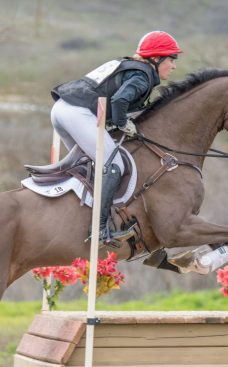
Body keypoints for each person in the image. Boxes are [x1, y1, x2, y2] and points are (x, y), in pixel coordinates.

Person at [50, 31, 181, 243]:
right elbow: (120, 101)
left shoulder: (129, 65)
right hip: (78, 113)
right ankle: (100, 229)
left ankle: (73, 216)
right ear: (156, 59)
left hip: (62, 109)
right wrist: (123, 124)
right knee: (114, 165)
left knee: (88, 166)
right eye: (171, 59)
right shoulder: (143, 75)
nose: (174, 66)